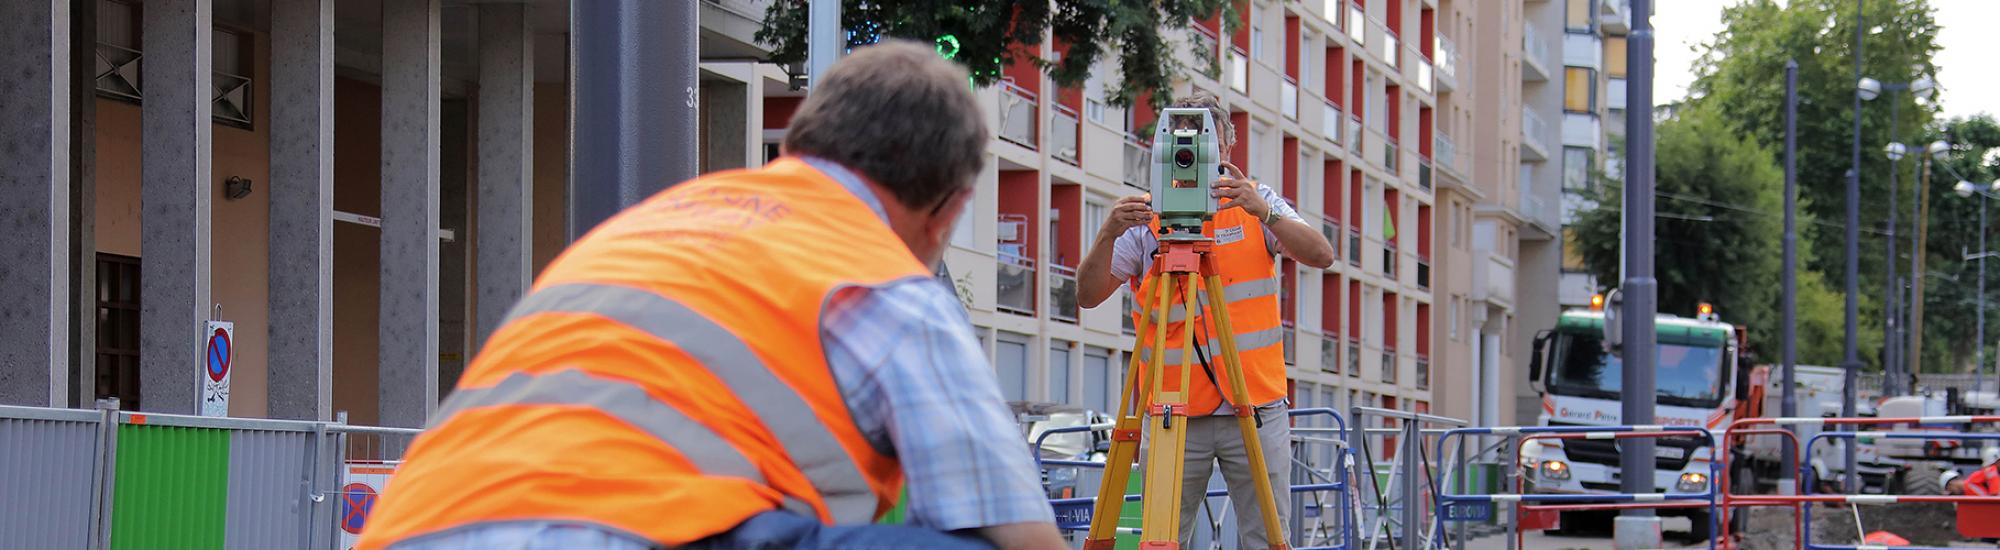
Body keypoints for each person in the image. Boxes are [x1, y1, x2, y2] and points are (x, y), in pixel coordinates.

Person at [357, 41, 1064, 550]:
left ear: (800, 146)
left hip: (411, 526)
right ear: (948, 208)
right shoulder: (882, 279)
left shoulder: (643, 231)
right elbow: (1019, 533)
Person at [1074, 91, 1337, 548]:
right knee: (1163, 537)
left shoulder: (1256, 203)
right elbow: (1087, 295)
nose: (1191, 157)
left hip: (1254, 406)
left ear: (1228, 146)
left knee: (1266, 537)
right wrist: (1106, 232)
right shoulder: (1143, 219)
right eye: (1182, 145)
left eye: (1204, 144)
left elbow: (1322, 255)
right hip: (1173, 411)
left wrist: (1265, 211)